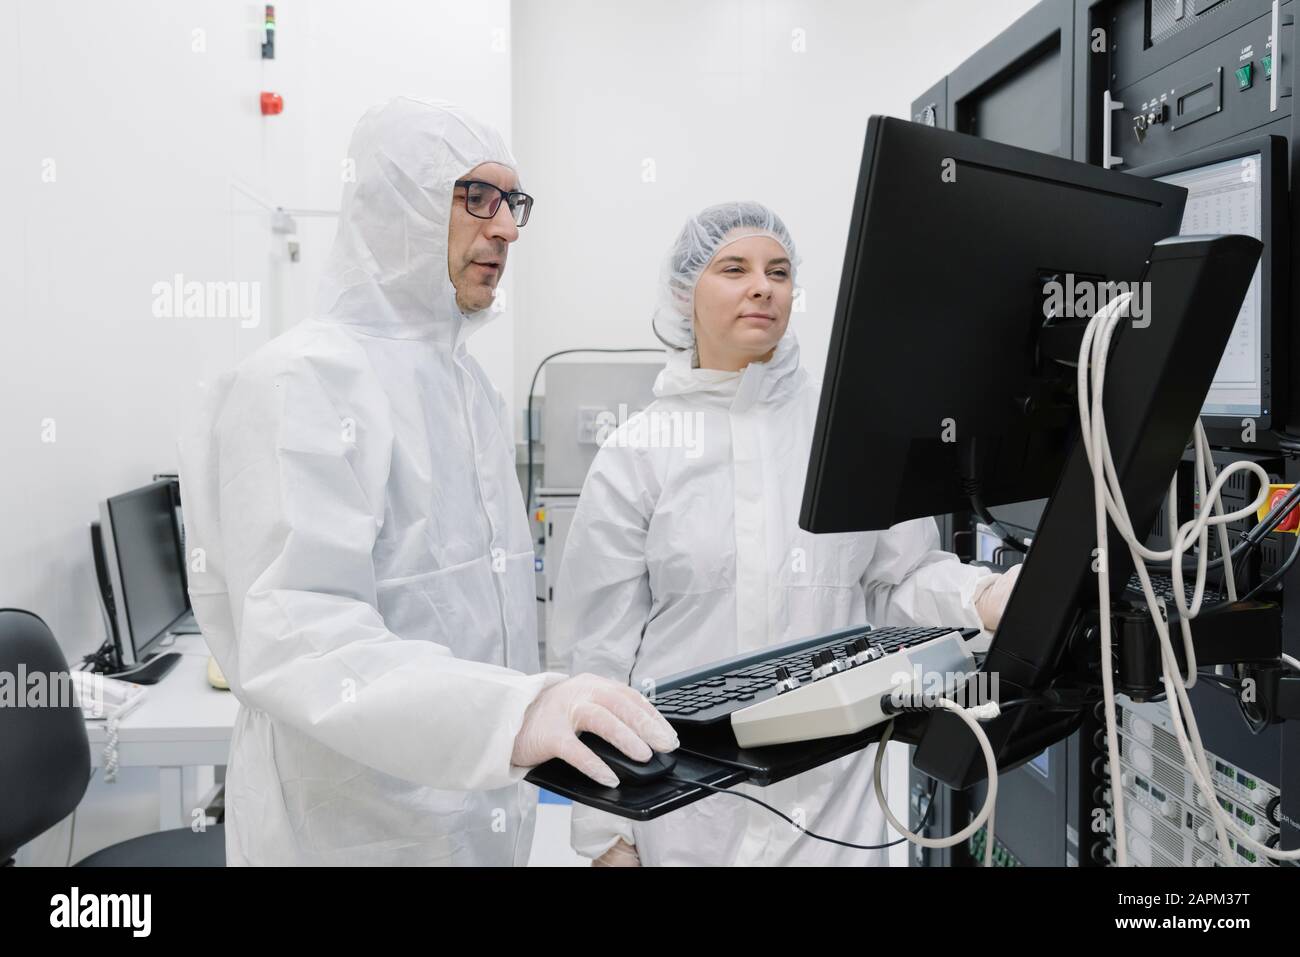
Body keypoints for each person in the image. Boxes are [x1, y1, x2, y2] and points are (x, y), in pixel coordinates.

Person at [177, 97, 676, 867]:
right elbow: (302, 639)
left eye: (512, 203)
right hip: (347, 835)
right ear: (395, 204)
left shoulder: (466, 387)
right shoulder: (300, 381)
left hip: (477, 823)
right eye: (475, 196)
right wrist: (516, 711)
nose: (506, 228)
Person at [551, 201, 1019, 867]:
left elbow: (900, 580)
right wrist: (608, 835)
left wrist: (985, 596)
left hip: (833, 811)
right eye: (733, 268)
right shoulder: (640, 450)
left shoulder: (849, 435)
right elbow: (595, 656)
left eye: (779, 270)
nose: (762, 285)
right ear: (686, 294)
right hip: (687, 816)